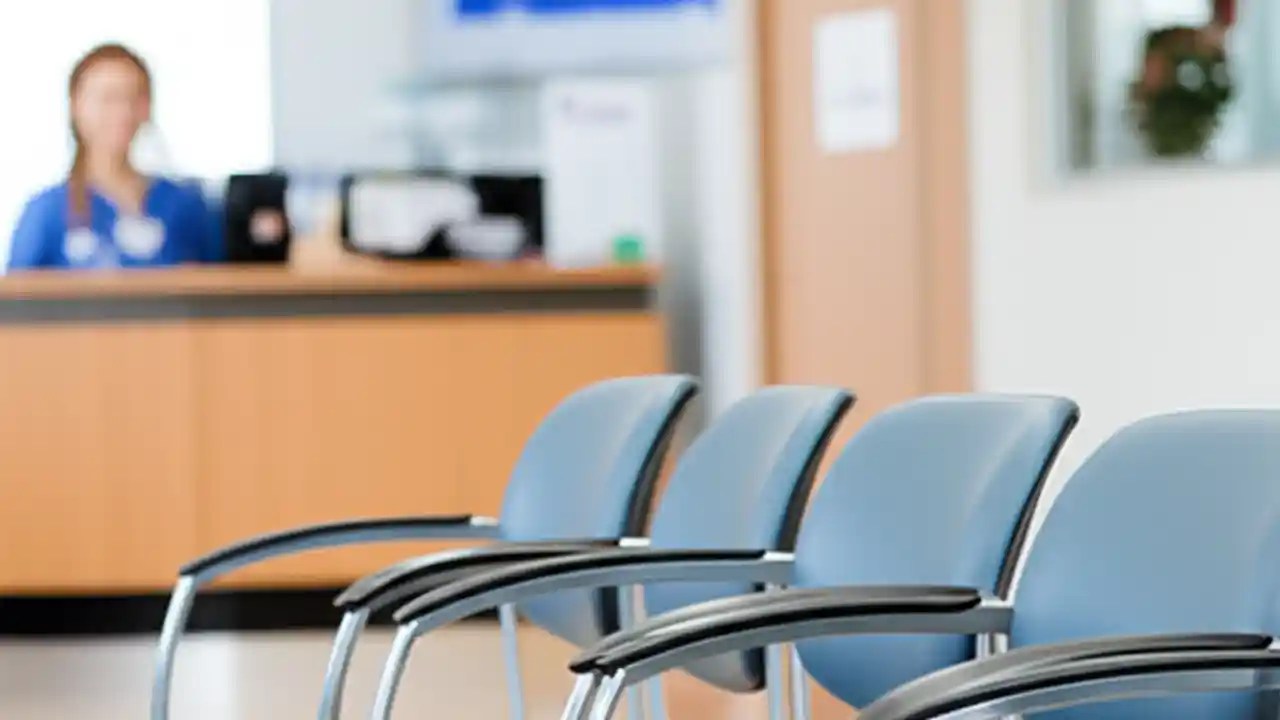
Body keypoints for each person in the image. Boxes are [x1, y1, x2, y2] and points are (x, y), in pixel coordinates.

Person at [8, 43, 222, 271]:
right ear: (76, 105)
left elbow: (223, 282)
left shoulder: (184, 205)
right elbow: (18, 290)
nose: (123, 112)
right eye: (108, 98)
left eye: (134, 97)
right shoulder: (47, 211)